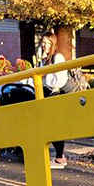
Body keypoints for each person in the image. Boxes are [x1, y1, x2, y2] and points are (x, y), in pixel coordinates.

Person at [35, 31, 69, 168]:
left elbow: (60, 79)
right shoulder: (45, 58)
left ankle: (60, 158)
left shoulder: (57, 57)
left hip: (54, 93)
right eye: (43, 43)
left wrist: (48, 80)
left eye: (47, 43)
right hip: (46, 93)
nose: (44, 46)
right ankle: (58, 157)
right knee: (48, 128)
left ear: (53, 43)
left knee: (53, 128)